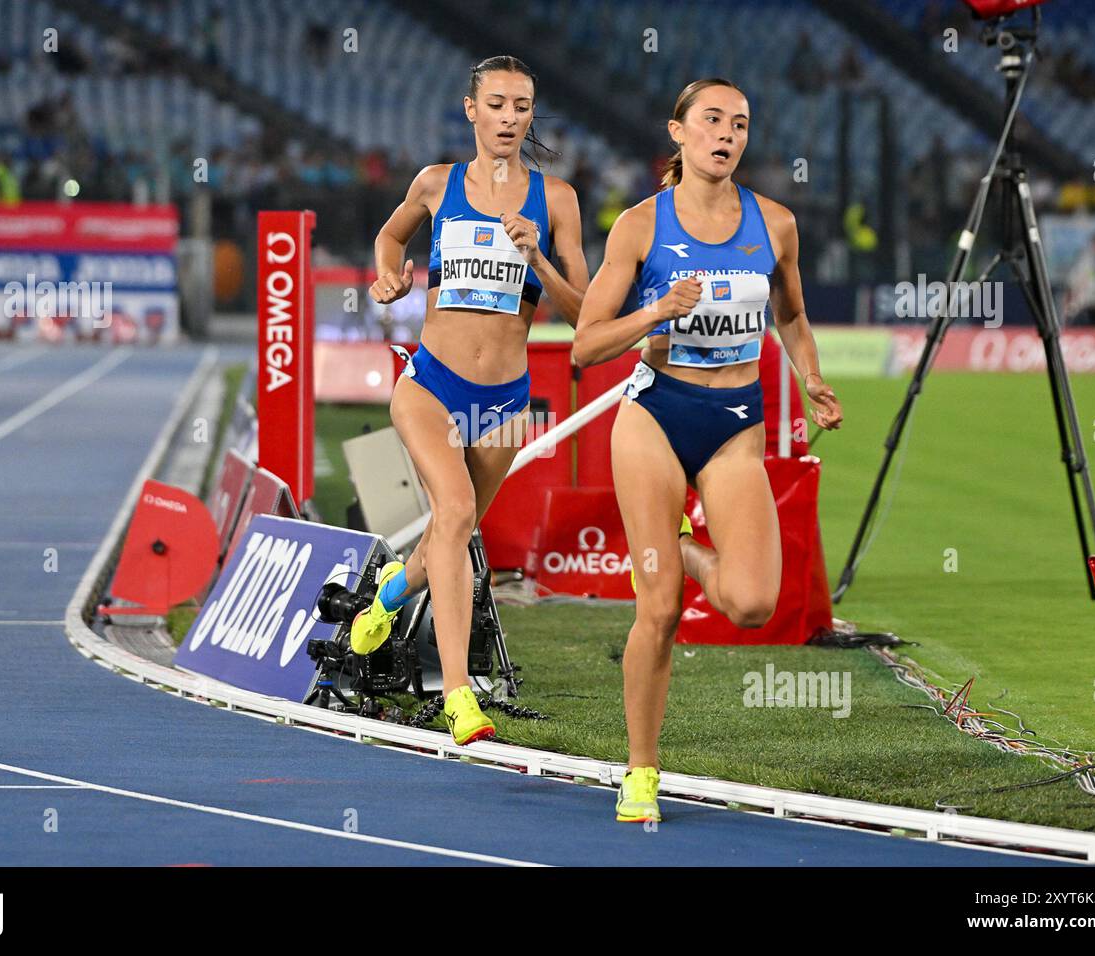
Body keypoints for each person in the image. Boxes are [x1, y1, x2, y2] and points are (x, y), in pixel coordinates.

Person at [573, 78, 843, 823]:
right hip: (656, 415)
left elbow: (791, 315)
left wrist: (811, 377)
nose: (727, 134)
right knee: (658, 610)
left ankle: (682, 547)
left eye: (741, 124)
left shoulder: (775, 223)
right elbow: (586, 343)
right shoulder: (639, 227)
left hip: (735, 423)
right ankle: (640, 770)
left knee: (753, 602)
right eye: (713, 120)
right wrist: (656, 310)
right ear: (680, 133)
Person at [358, 55, 589, 746]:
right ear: (471, 110)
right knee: (455, 511)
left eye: (521, 106)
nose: (510, 118)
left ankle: (393, 591)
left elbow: (588, 317)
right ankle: (458, 695)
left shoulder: (559, 201)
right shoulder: (437, 183)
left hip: (503, 402)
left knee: (450, 535)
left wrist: (541, 260)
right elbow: (391, 235)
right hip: (430, 384)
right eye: (496, 104)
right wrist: (387, 277)